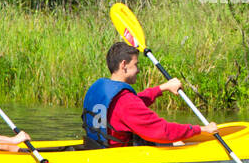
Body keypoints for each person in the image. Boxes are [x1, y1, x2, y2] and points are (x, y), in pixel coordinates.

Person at [82, 41, 219, 148]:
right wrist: (201, 129)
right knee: (177, 143)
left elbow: (134, 103)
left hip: (97, 147)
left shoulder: (100, 89)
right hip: (119, 156)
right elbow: (162, 130)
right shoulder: (125, 101)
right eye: (136, 64)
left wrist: (163, 88)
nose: (138, 70)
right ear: (124, 65)